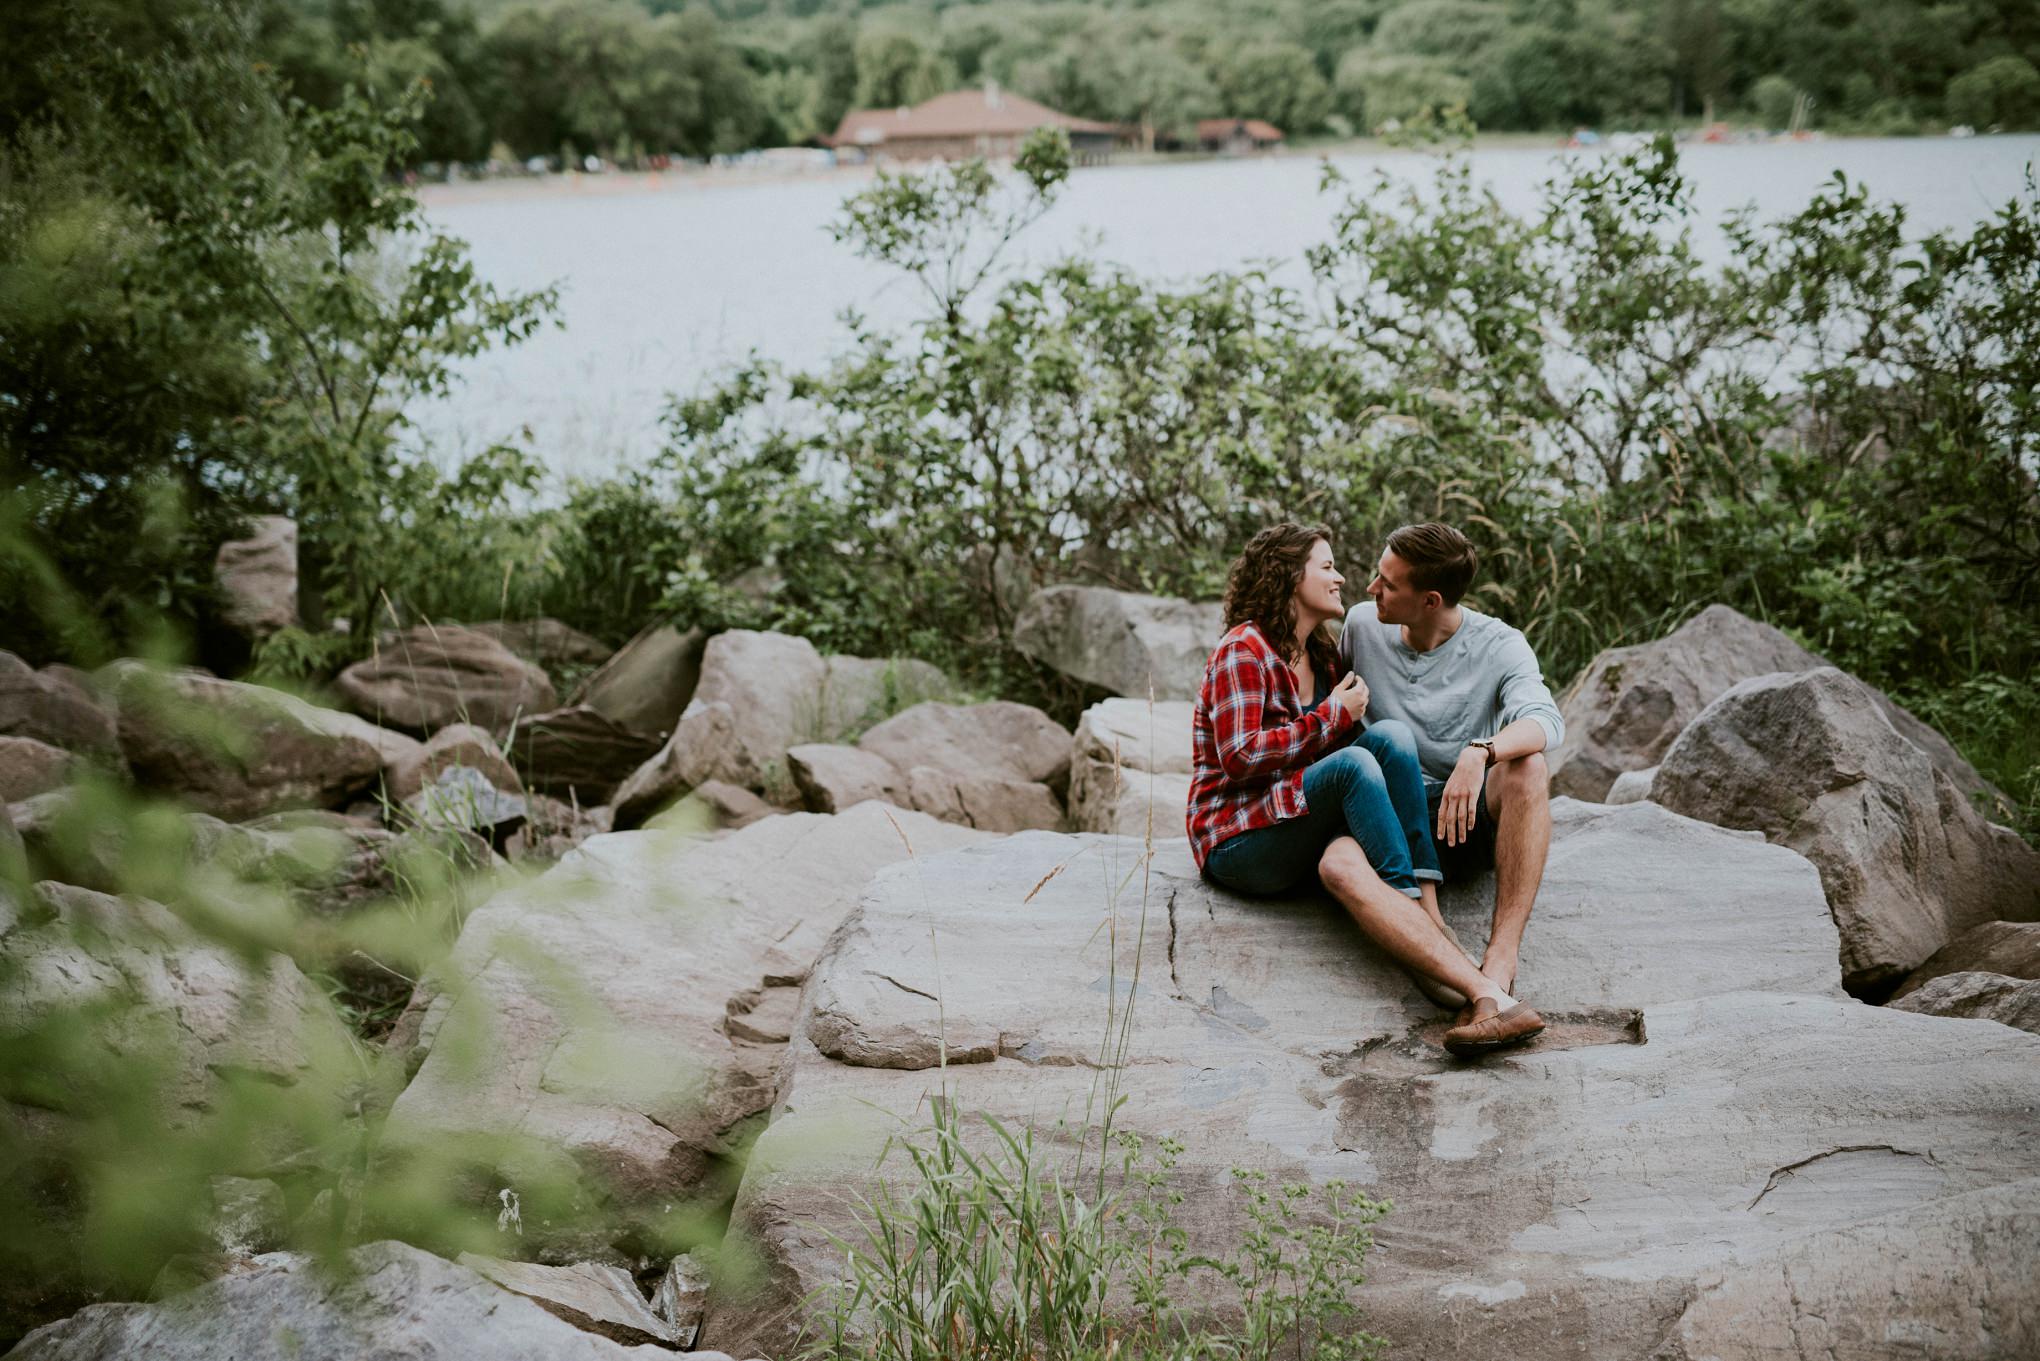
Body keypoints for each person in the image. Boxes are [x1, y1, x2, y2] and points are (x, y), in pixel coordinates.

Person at [1187, 522, 1538, 1056]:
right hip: (1239, 839)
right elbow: (1240, 759)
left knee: (1392, 738)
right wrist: (1329, 717)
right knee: (1353, 761)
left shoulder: (1324, 654)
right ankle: (1420, 927)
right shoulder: (1245, 651)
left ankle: (1427, 910)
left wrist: (1471, 752)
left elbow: (1358, 743)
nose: (1345, 578)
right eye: (1326, 567)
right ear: (1288, 577)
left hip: (1295, 823)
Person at [1337, 522, 1563, 1054]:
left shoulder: (1499, 644)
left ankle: (1500, 962)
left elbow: (1546, 722)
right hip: (1387, 822)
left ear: (1430, 600)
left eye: (1388, 584)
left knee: (1528, 768)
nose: (1371, 589)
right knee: (1337, 856)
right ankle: (1452, 970)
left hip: (1461, 821)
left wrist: (1481, 751)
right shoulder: (1361, 627)